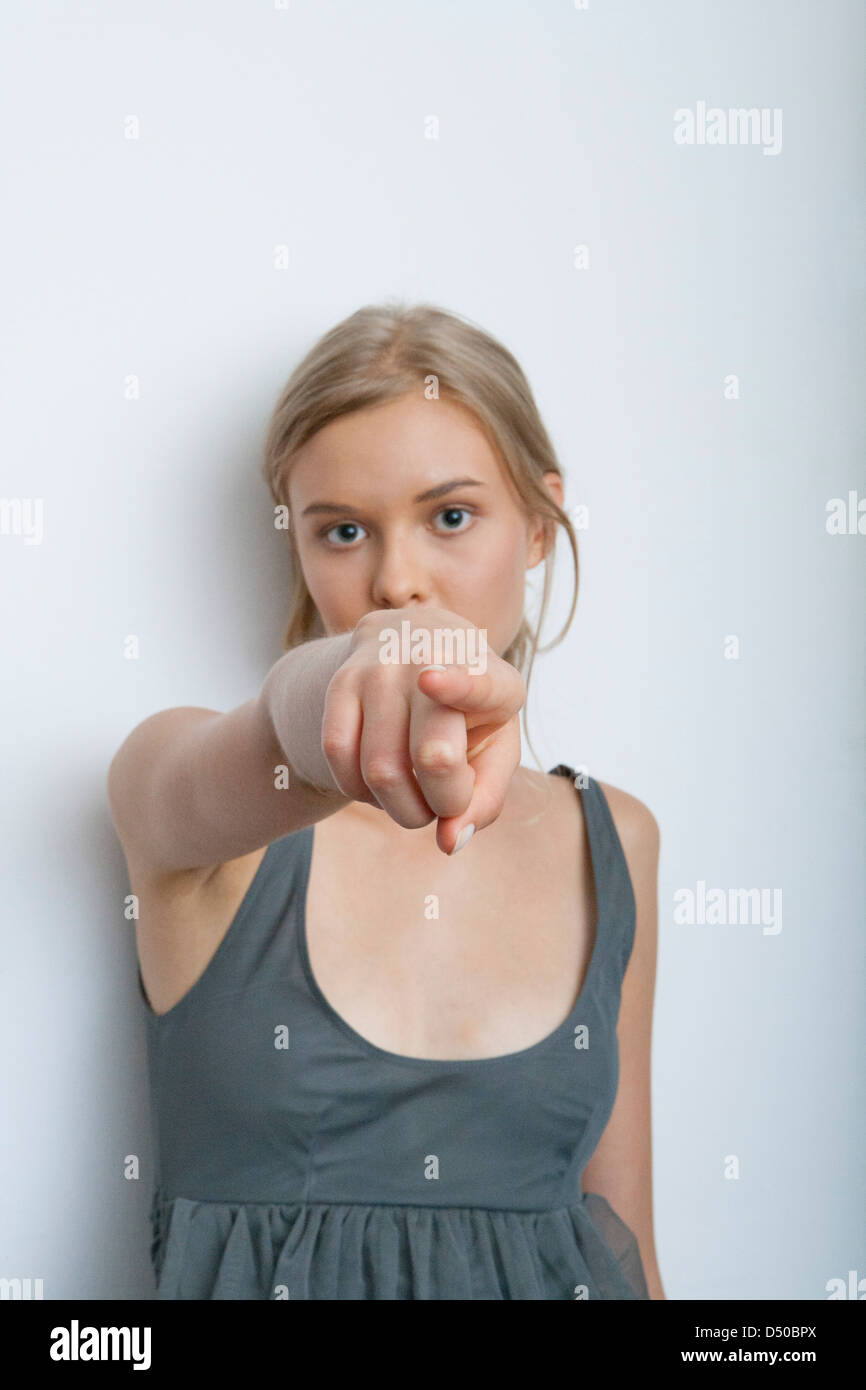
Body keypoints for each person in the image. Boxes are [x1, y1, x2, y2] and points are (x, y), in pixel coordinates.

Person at [107, 301, 665, 1300]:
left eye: (450, 516)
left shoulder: (613, 837)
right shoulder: (189, 789)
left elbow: (624, 1245)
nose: (397, 580)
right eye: (343, 530)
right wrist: (344, 678)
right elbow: (271, 732)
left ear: (538, 525)